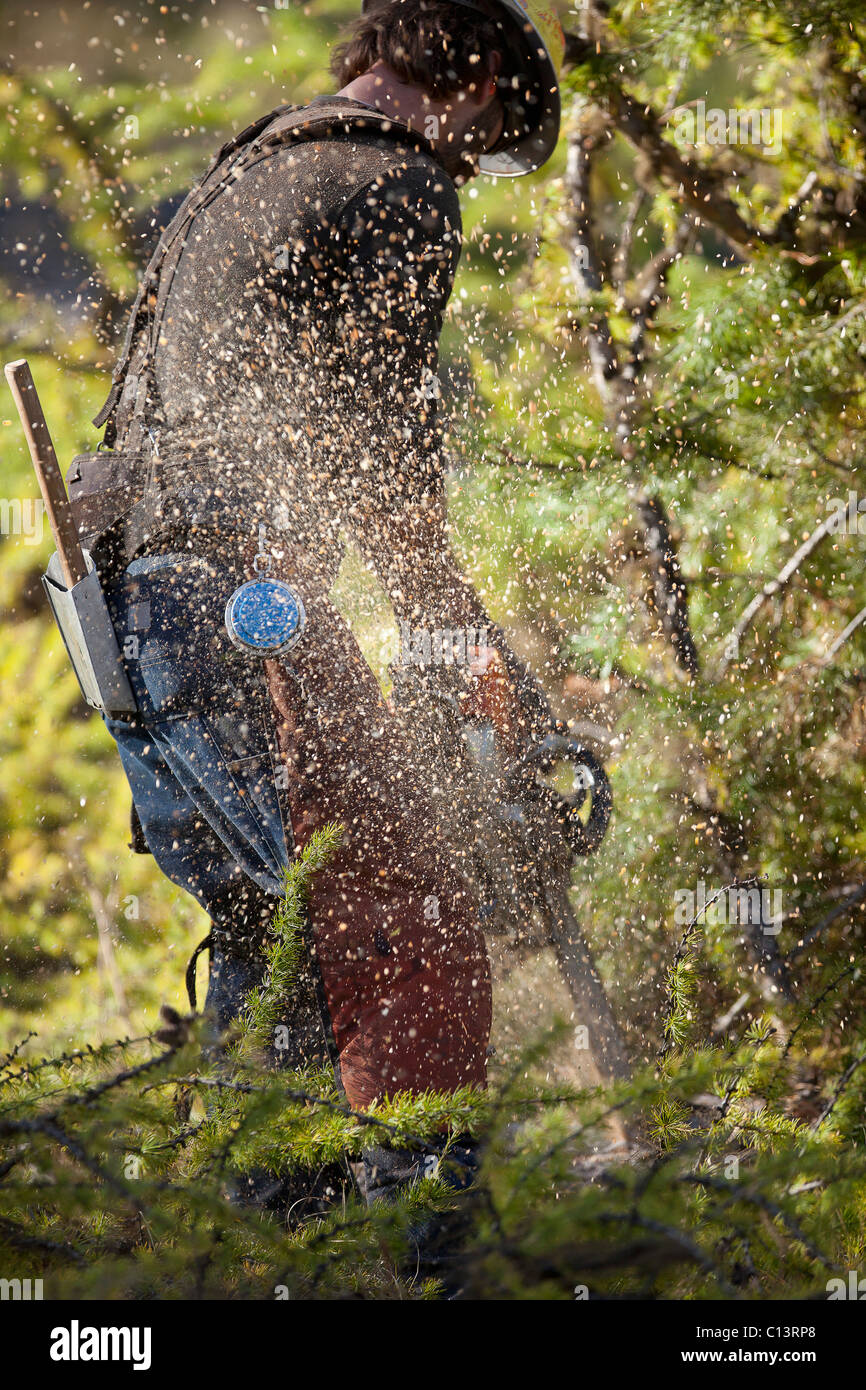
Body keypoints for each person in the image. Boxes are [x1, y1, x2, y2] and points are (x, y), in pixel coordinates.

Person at [78, 0, 566, 1202]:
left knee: (275, 928)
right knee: (403, 924)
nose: (469, 159)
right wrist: (459, 647)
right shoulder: (393, 178)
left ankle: (257, 1256)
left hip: (130, 600)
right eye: (486, 133)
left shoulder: (262, 155)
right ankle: (417, 1257)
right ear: (475, 76)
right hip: (227, 601)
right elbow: (385, 455)